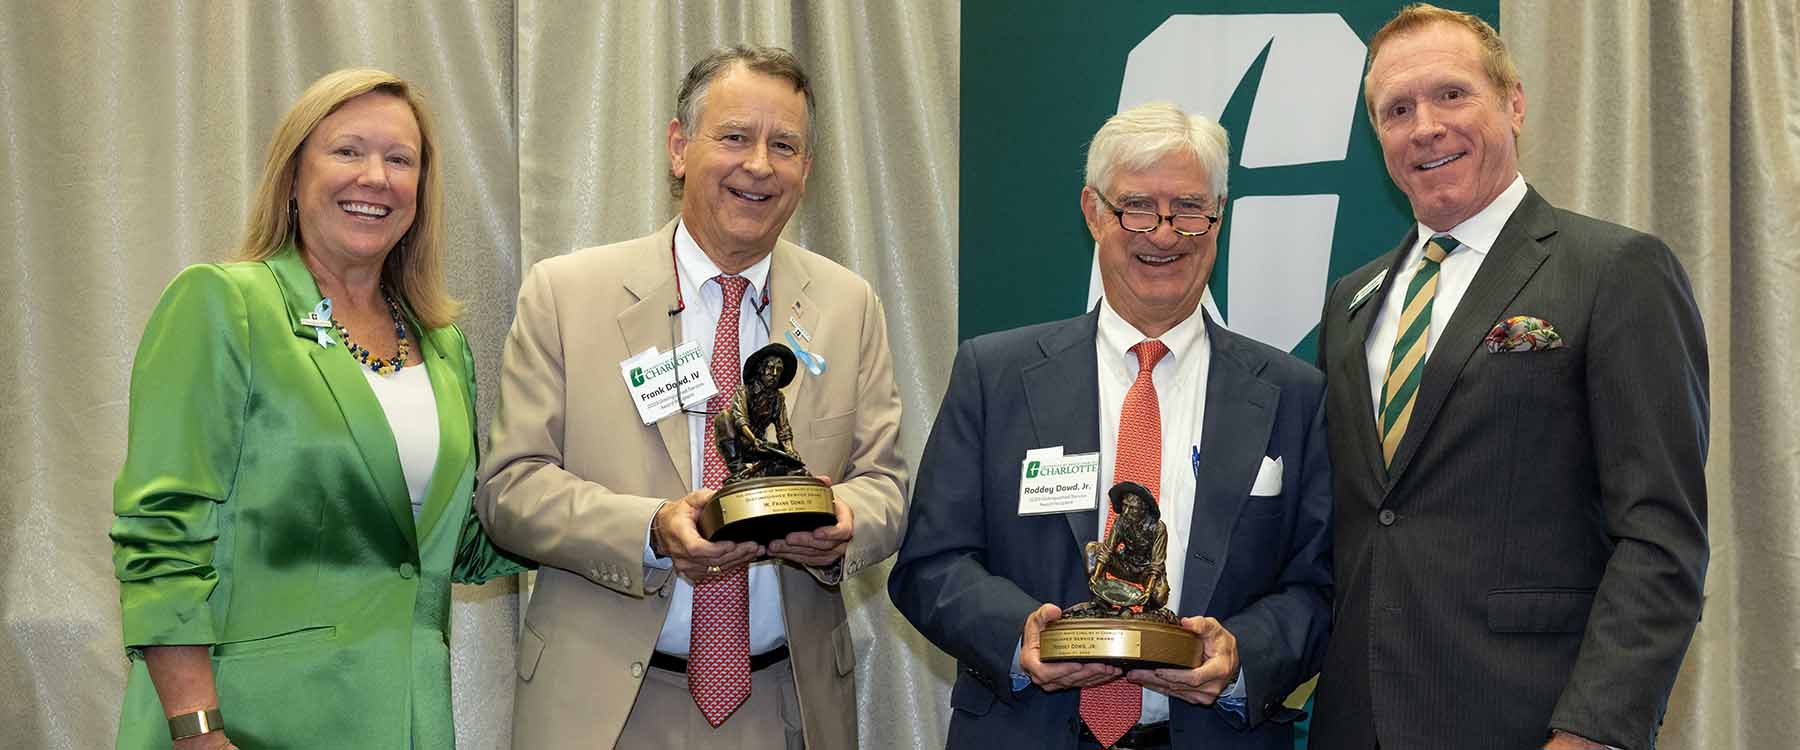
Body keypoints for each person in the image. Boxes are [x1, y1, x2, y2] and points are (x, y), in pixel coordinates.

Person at [476, 45, 907, 750]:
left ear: (807, 169)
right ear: (680, 148)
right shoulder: (565, 294)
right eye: (735, 136)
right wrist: (651, 530)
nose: (759, 165)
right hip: (602, 707)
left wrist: (845, 525)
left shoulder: (849, 305)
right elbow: (510, 491)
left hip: (788, 704)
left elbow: (886, 484)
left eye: (785, 145)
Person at [1310, 5, 1710, 750]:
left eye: (1452, 94)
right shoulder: (1351, 302)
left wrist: (1592, 731)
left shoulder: (1616, 271)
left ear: (1514, 103)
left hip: (1532, 723)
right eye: (1398, 110)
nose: (1425, 125)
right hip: (1357, 724)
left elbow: (1661, 538)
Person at [889, 102, 1332, 750]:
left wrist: (1242, 657)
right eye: (1136, 207)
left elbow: (1320, 588)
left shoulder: (1293, 395)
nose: (1163, 232)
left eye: (1187, 208)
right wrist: (1021, 636)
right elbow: (929, 564)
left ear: (1218, 218)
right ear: (1093, 210)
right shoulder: (994, 375)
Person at [110, 67, 529, 750]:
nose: (375, 177)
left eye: (401, 160)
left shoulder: (443, 346)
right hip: (245, 723)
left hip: (408, 721)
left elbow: (458, 546)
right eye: (347, 151)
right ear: (294, 177)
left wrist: (609, 508)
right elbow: (160, 535)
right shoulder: (225, 305)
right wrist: (196, 728)